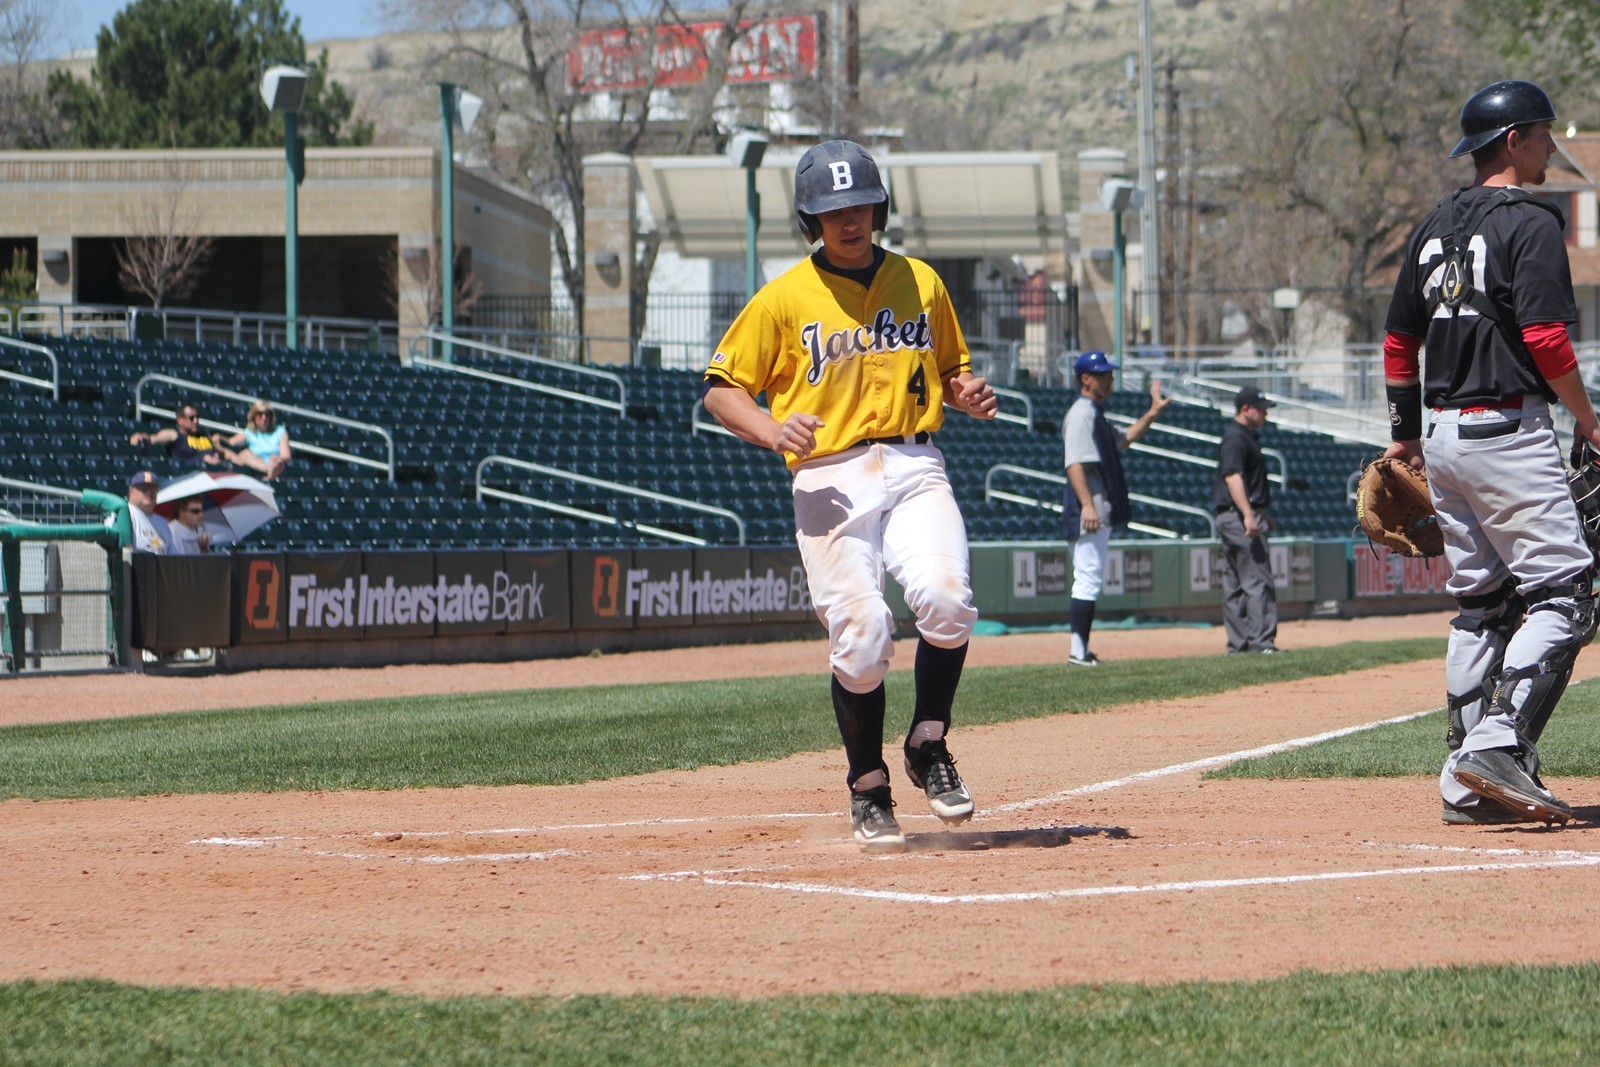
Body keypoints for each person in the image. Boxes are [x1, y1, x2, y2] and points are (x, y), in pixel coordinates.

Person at [701, 139, 999, 854]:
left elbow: (949, 369)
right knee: (863, 638)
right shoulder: (782, 299)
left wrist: (965, 392)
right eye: (833, 209)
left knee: (950, 599)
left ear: (879, 208)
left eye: (860, 203)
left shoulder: (921, 281)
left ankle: (928, 742)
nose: (850, 218)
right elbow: (719, 388)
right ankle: (868, 786)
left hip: (912, 460)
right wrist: (773, 430)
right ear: (811, 218)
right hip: (827, 473)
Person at [1381, 80, 1598, 826]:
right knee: (1566, 595)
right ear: (1512, 142)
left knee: (1481, 606)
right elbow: (1544, 338)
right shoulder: (1532, 222)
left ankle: (1463, 782)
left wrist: (1404, 432)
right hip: (1507, 429)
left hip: (1443, 437)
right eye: (1541, 134)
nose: (1548, 147)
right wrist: (1590, 421)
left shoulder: (1432, 224)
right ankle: (1497, 746)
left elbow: (1397, 341)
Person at [1061, 350, 1171, 665]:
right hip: (1088, 511)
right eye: (1103, 374)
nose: (1109, 378)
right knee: (1087, 576)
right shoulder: (1082, 413)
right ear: (1086, 378)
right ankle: (1077, 652)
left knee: (1090, 577)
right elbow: (1074, 463)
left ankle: (1081, 650)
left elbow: (1124, 439)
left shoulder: (1095, 412)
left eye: (1109, 373)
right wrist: (1086, 506)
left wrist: (1152, 412)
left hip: (1096, 509)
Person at [1212, 386, 1279, 655]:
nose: (1264, 413)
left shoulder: (1242, 436)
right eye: (1260, 409)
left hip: (1234, 515)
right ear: (1245, 409)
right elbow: (1233, 477)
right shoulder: (1236, 438)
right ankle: (1261, 643)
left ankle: (1239, 645)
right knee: (1256, 580)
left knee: (1236, 582)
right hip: (1239, 516)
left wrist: (1261, 514)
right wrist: (1250, 515)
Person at [129, 403, 227, 468]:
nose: (196, 421)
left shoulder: (205, 436)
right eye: (192, 418)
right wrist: (139, 437)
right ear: (180, 420)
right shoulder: (174, 435)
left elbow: (224, 453)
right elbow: (152, 438)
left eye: (197, 417)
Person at [219, 400, 291, 480]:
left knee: (278, 463)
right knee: (244, 454)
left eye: (267, 415)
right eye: (260, 415)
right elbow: (230, 442)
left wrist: (276, 459)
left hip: (276, 466)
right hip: (256, 469)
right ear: (254, 416)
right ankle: (268, 471)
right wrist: (218, 437)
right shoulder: (249, 432)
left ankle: (271, 472)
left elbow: (286, 455)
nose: (264, 418)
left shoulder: (280, 431)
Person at [123, 471, 171, 554]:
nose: (149, 492)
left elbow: (172, 556)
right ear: (131, 492)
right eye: (144, 488)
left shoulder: (162, 523)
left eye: (153, 489)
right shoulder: (124, 515)